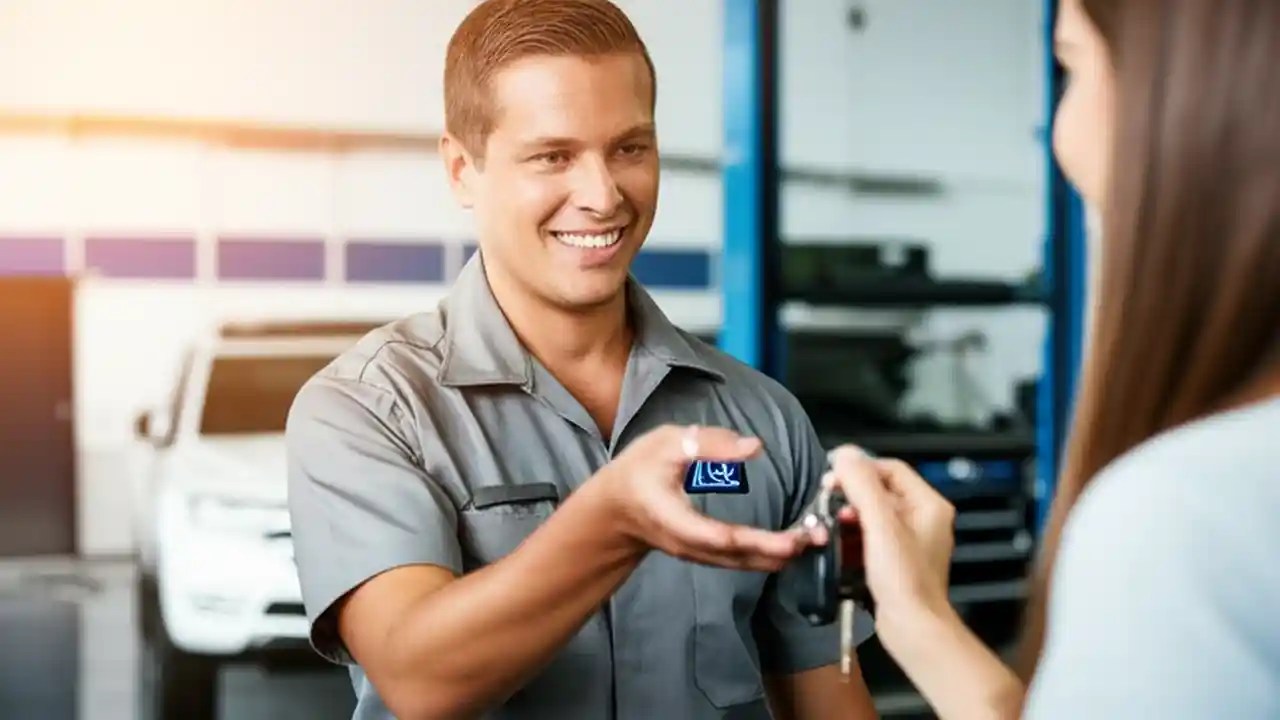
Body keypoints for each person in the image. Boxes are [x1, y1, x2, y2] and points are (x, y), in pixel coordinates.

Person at [284, 1, 879, 718]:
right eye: (553, 156)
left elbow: (830, 699)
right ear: (461, 169)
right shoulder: (368, 410)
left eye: (630, 148)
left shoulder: (760, 419)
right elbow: (420, 680)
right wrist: (612, 524)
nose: (602, 196)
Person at [817, 0, 1280, 717]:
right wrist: (921, 622)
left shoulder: (1181, 523)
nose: (1060, 132)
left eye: (1070, 65)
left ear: (1188, 100)